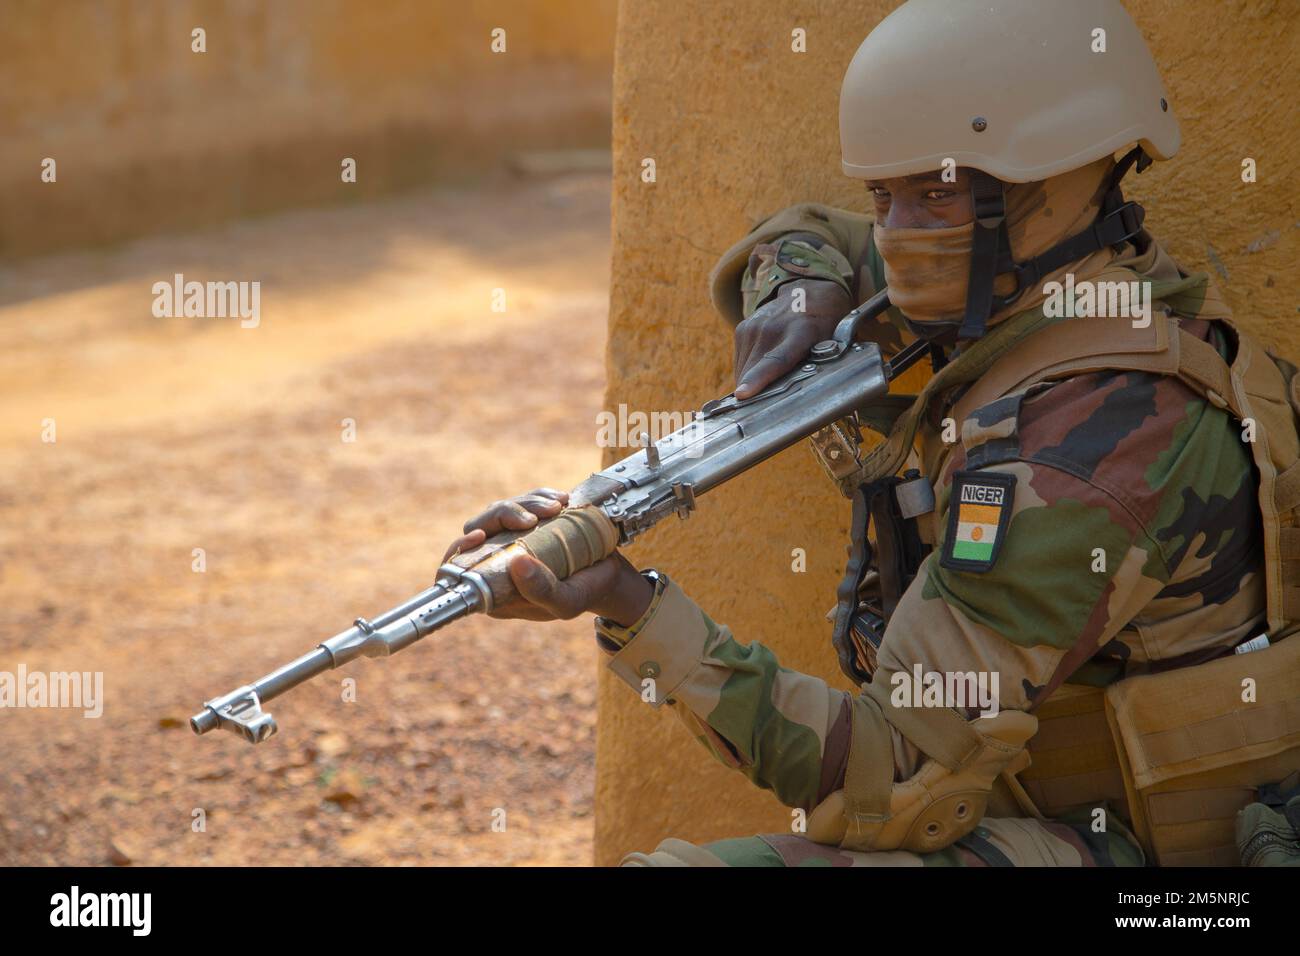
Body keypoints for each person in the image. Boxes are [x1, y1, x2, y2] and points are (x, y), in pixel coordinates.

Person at [443, 0, 1299, 866]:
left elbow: (887, 786)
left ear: (1057, 186)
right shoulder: (1086, 292)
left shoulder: (1080, 458)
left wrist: (628, 603)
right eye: (885, 197)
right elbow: (806, 235)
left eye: (936, 195)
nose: (898, 237)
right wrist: (801, 292)